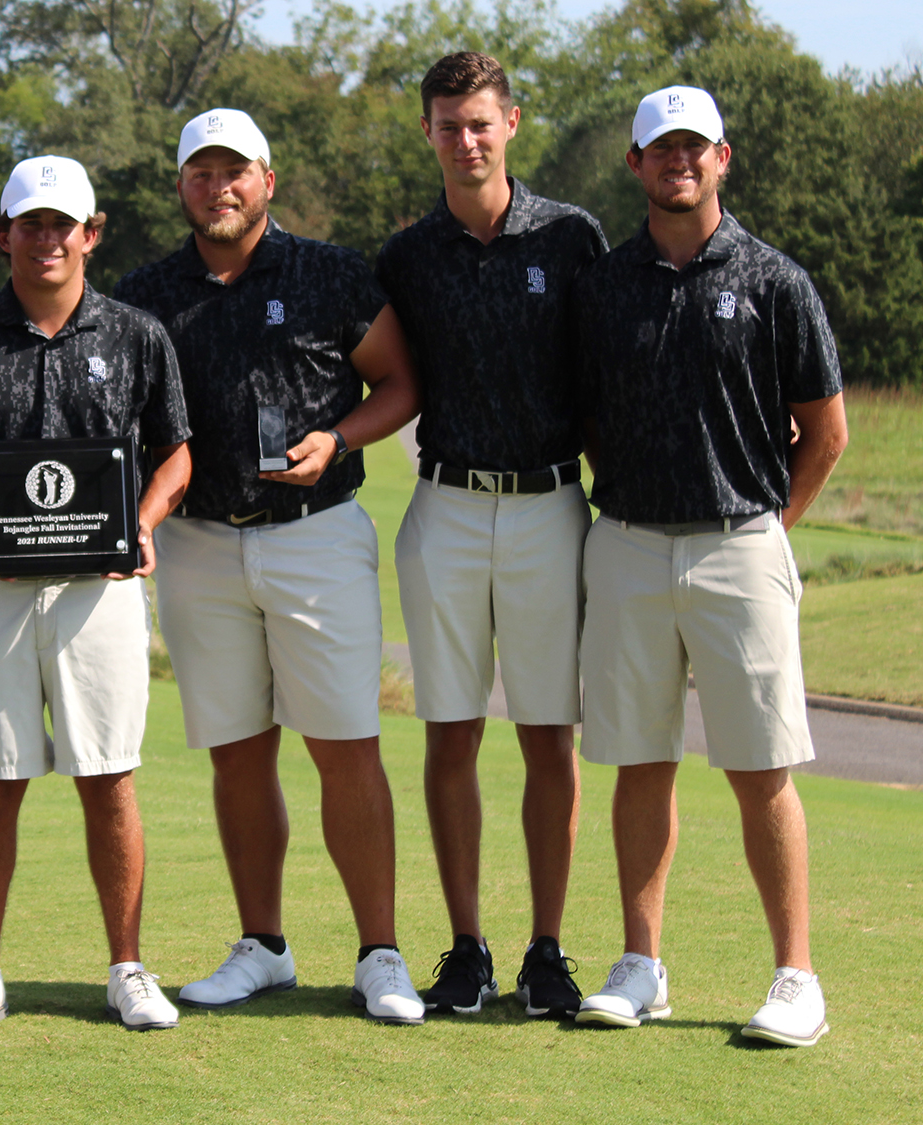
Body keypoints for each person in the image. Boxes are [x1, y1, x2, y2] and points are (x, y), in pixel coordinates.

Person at [113, 108, 425, 1024]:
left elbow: (400, 383)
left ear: (267, 180)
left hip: (316, 533)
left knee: (345, 748)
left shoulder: (328, 272)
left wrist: (341, 434)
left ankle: (380, 952)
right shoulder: (147, 292)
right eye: (202, 173)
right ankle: (265, 945)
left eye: (235, 171)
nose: (220, 187)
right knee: (239, 756)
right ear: (182, 186)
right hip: (201, 545)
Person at [572, 86, 847, 1047]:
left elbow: (827, 430)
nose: (678, 162)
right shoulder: (603, 285)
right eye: (661, 149)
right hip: (630, 543)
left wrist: (772, 523)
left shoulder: (777, 280)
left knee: (760, 766)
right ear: (638, 164)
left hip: (741, 542)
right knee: (640, 762)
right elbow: (590, 418)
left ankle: (795, 975)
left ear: (722, 157)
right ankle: (641, 964)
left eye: (695, 147)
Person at [0, 155, 193, 1036]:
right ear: (4, 235)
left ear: (92, 234)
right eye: (31, 223)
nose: (49, 237)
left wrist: (143, 521)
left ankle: (128, 966)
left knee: (110, 779)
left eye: (65, 223)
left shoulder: (138, 334)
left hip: (98, 591)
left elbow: (177, 450)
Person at [373, 52, 606, 1017]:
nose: (464, 140)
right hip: (447, 506)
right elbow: (385, 376)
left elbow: (614, 371)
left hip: (553, 505)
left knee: (551, 734)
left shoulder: (574, 237)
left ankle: (546, 949)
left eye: (480, 122)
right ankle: (466, 946)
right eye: (446, 124)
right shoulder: (408, 255)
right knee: (452, 731)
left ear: (512, 122)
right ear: (427, 132)